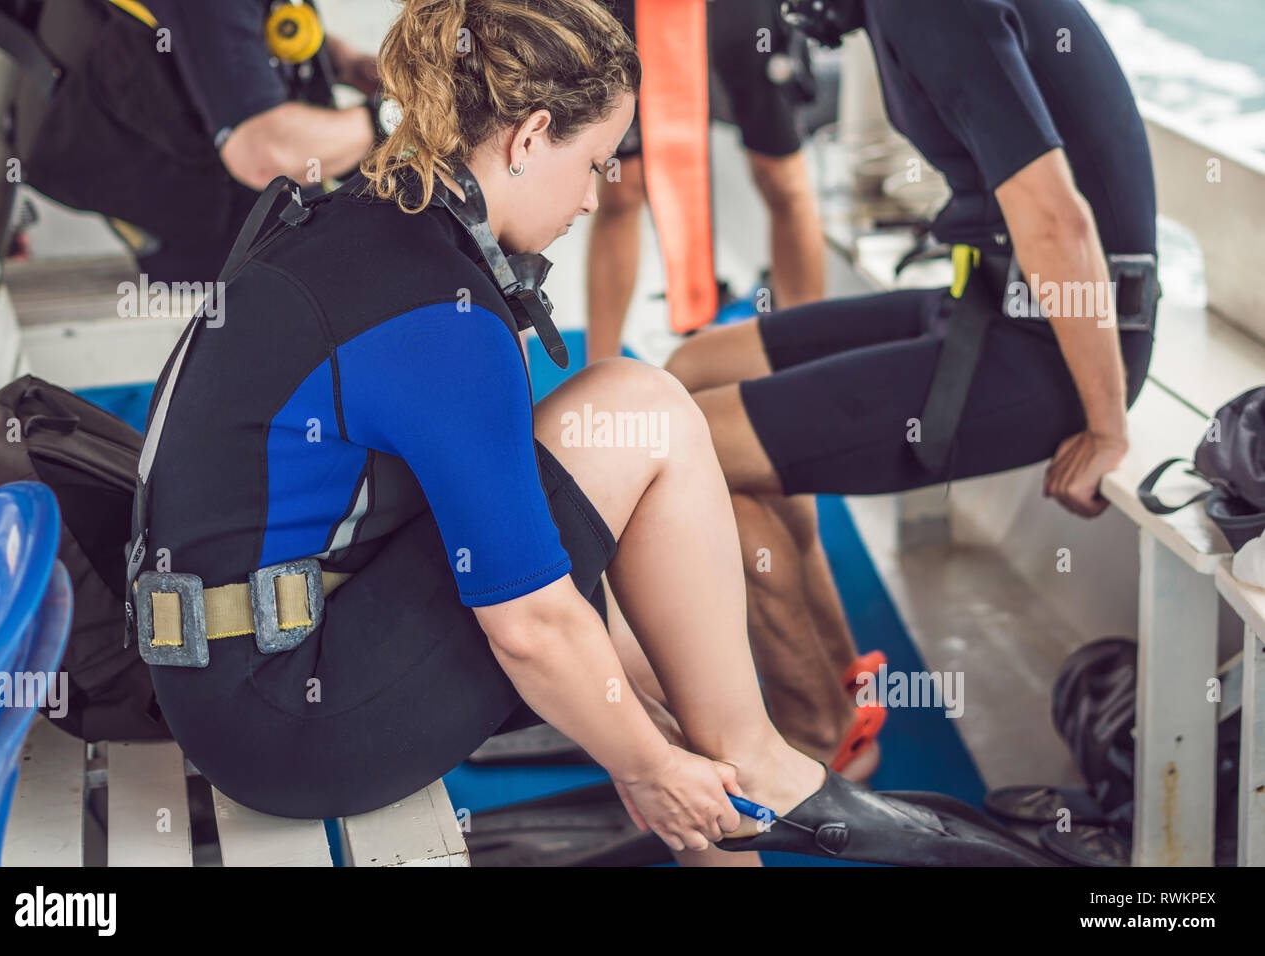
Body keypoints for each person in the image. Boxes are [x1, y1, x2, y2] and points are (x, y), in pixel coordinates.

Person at [129, 0, 848, 868]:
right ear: (528, 135)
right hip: (285, 723)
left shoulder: (368, 218)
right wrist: (648, 765)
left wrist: (638, 728)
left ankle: (734, 789)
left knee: (641, 630)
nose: (591, 197)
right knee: (641, 410)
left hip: (228, 671)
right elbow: (532, 627)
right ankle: (755, 772)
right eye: (592, 164)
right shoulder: (441, 310)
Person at [663, 0, 1159, 762]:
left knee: (692, 453)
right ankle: (842, 683)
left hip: (1059, 344)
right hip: (990, 301)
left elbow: (1059, 221)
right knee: (690, 374)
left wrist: (1105, 426)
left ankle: (819, 733)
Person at [3, 0, 385, 284]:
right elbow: (263, 155)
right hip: (230, 259)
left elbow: (241, 36)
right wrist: (386, 119)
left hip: (249, 224)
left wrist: (348, 65)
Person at [585, 0, 826, 362]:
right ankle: (598, 370)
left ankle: (807, 361)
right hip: (636, 12)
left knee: (782, 177)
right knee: (623, 187)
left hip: (745, 14)